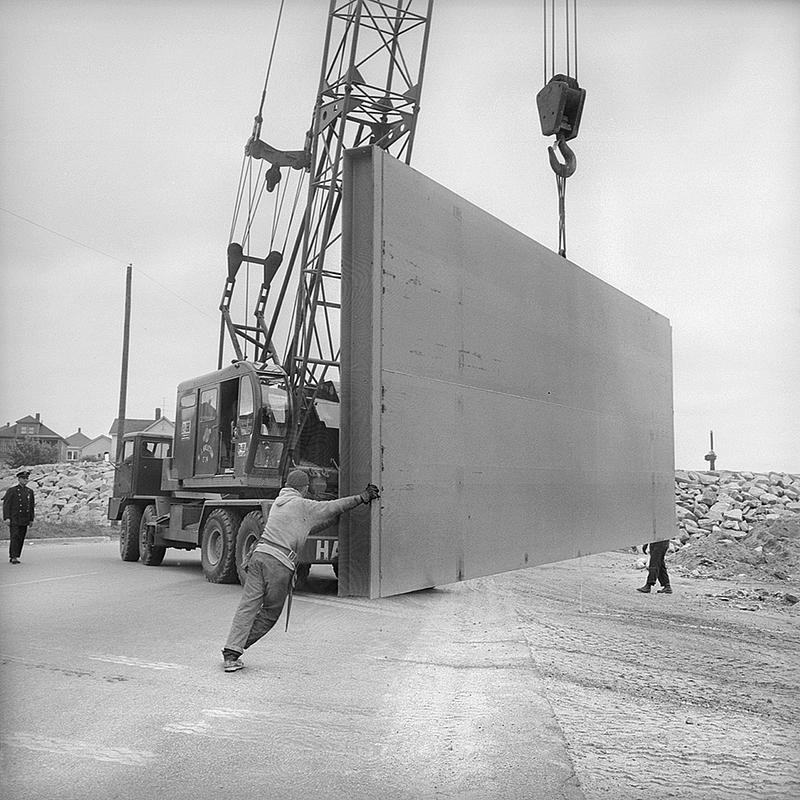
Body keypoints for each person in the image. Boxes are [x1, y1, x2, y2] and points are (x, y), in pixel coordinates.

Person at [221, 469, 380, 672]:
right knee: (270, 613)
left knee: (248, 606)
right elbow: (333, 506)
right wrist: (362, 497)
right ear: (304, 488)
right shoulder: (302, 505)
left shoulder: (279, 504)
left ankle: (231, 652)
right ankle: (237, 648)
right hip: (277, 565)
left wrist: (332, 520)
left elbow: (304, 527)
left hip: (258, 557)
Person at [3, 470, 35, 564]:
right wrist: (7, 517)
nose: (25, 480)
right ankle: (13, 556)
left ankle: (16, 555)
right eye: (23, 478)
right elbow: (6, 505)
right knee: (15, 536)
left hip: (24, 518)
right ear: (19, 479)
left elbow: (31, 506)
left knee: (21, 537)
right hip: (15, 518)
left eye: (26, 478)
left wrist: (31, 519)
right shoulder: (12, 490)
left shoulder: (29, 491)